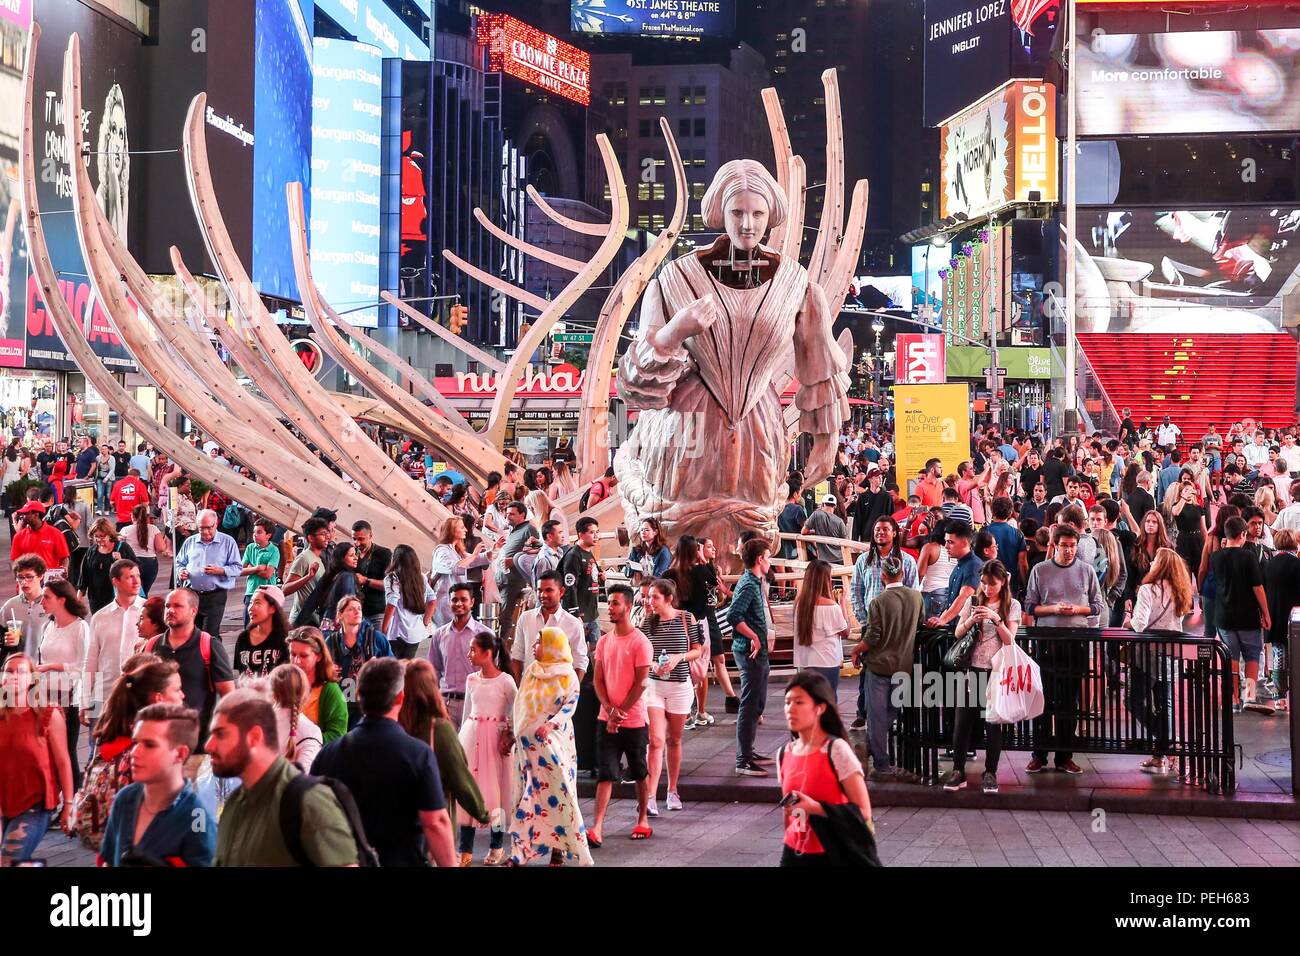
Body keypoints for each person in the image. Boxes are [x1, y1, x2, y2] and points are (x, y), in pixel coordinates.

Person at [311, 658, 455, 867]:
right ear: (400, 697)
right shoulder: (418, 754)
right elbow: (435, 822)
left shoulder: (327, 755)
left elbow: (314, 819)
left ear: (358, 694)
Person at [209, 689, 361, 866]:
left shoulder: (309, 802)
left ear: (254, 737)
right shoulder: (234, 804)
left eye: (221, 734)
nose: (209, 745)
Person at [1023, 524, 1104, 774]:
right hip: (1048, 639)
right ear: (1055, 546)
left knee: (1070, 700)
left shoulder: (1086, 571)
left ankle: (1064, 755)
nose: (1069, 551)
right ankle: (1039, 753)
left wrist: (1077, 610)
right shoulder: (1040, 570)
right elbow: (1030, 606)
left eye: (1072, 546)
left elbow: (1097, 605)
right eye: (1064, 546)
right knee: (1043, 698)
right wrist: (1054, 609)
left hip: (1075, 639)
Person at [509, 626, 593, 865]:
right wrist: (514, 729)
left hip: (554, 745)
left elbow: (569, 706)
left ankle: (561, 850)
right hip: (527, 750)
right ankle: (519, 852)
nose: (534, 646)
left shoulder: (568, 675)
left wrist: (550, 725)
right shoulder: (532, 671)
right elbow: (520, 703)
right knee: (525, 797)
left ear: (552, 647)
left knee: (559, 792)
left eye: (539, 642)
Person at [98, 704, 215, 867]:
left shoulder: (197, 817)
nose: (134, 752)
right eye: (135, 742)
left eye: (149, 745)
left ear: (180, 754)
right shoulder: (124, 799)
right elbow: (108, 861)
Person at [776, 671, 873, 867]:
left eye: (799, 702)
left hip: (834, 854)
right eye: (787, 702)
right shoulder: (784, 753)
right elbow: (789, 812)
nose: (790, 709)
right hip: (796, 854)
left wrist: (816, 808)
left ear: (820, 708)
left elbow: (864, 811)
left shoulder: (836, 750)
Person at [944, 560, 1020, 793]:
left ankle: (990, 772)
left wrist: (996, 619)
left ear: (1003, 582)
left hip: (995, 671)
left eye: (992, 584)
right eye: (984, 583)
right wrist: (971, 620)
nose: (987, 588)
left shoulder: (1012, 605)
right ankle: (958, 770)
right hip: (970, 669)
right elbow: (958, 632)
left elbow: (1010, 640)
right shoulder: (973, 601)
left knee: (992, 724)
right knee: (962, 723)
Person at [588, 586, 653, 846]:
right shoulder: (604, 642)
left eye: (615, 603)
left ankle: (643, 818)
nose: (611, 608)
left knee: (639, 771)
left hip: (634, 719)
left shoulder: (640, 642)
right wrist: (609, 709)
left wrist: (621, 712)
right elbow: (597, 679)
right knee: (606, 773)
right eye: (610, 603)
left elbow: (641, 683)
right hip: (607, 719)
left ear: (628, 607)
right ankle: (597, 827)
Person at [851, 555, 922, 781]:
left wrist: (856, 650)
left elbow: (873, 636)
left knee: (877, 717)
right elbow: (921, 623)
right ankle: (872, 748)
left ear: (882, 576)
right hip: (904, 665)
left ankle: (881, 765)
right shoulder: (916, 598)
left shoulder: (878, 602)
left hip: (879, 666)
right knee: (893, 710)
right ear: (903, 573)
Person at [0, 654, 75, 864]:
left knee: (8, 860)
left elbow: (63, 762)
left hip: (35, 804)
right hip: (3, 802)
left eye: (21, 672)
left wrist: (69, 805)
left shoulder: (47, 714)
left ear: (32, 679)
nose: (14, 676)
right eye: (9, 671)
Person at [1125, 548, 1193, 775]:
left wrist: (1128, 621)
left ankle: (1165, 742)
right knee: (1166, 704)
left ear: (1160, 565)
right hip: (1172, 652)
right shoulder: (1181, 590)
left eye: (1155, 560)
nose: (1152, 562)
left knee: (1133, 700)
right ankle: (1161, 753)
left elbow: (1140, 623)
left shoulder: (1148, 589)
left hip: (1148, 653)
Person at [641, 578, 706, 816]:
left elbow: (698, 649)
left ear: (669, 599)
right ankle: (650, 795)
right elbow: (642, 653)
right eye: (648, 596)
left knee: (674, 739)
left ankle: (672, 789)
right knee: (655, 739)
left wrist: (679, 657)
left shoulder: (686, 618)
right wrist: (653, 666)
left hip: (680, 685)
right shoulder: (647, 621)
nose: (650, 601)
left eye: (655, 597)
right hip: (654, 686)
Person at [848, 516, 919, 730]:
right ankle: (864, 712)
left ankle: (895, 714)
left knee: (897, 670)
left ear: (894, 533)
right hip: (871, 624)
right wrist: (863, 619)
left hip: (897, 626)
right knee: (867, 669)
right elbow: (856, 591)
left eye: (885, 529)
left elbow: (913, 591)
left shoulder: (906, 561)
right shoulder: (864, 560)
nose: (880, 533)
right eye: (877, 529)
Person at [145, 589, 236, 751]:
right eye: (168, 606)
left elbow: (228, 695)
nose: (170, 610)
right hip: (158, 743)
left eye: (178, 606)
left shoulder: (209, 644)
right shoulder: (152, 645)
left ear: (193, 611)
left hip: (198, 745)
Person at [454, 633, 517, 865]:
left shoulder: (505, 681)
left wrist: (509, 733)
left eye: (473, 650)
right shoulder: (471, 679)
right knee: (469, 792)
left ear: (487, 653)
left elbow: (517, 710)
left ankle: (496, 846)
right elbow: (466, 713)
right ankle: (465, 848)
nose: (469, 654)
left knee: (496, 795)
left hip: (495, 742)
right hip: (472, 737)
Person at [1211, 516, 1272, 712]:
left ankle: (1233, 698)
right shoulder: (1248, 557)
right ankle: (1249, 696)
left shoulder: (1216, 557)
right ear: (1243, 534)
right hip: (1247, 615)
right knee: (1252, 655)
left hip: (1224, 615)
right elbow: (1258, 588)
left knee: (1232, 658)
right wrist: (1266, 613)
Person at [81, 558, 144, 734]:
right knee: (98, 747)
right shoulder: (100, 617)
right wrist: (84, 699)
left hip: (138, 697)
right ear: (115, 581)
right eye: (130, 577)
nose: (136, 581)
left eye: (138, 576)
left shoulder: (148, 612)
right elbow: (90, 660)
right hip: (103, 695)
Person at [38, 577, 90, 791]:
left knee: (67, 750)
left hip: (70, 697)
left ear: (62, 600)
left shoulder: (80, 627)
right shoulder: (48, 625)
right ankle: (52, 798)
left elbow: (84, 666)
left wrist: (52, 666)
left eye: (46, 597)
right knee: (47, 751)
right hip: (46, 695)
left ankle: (72, 799)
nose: (41, 601)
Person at [728, 538, 773, 776]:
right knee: (750, 704)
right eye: (768, 557)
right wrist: (754, 636)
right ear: (760, 559)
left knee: (757, 703)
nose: (770, 562)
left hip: (757, 651)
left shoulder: (753, 581)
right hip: (749, 651)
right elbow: (733, 615)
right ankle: (743, 759)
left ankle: (748, 751)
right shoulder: (748, 584)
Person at [429, 583, 493, 726]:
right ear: (449, 602)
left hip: (474, 704)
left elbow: (492, 671)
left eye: (463, 599)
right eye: (454, 600)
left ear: (472, 602)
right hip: (446, 704)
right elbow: (434, 670)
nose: (458, 604)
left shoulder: (485, 635)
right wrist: (436, 701)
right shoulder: (439, 635)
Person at [326, 595, 393, 728]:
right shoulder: (331, 642)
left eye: (359, 608)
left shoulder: (376, 639)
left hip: (369, 705)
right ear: (340, 615)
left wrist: (379, 668)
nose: (357, 612)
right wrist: (328, 670)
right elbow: (319, 672)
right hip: (341, 704)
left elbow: (395, 670)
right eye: (351, 609)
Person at [510, 571, 588, 684]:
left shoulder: (573, 624)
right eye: (540, 590)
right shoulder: (526, 618)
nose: (543, 595)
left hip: (558, 691)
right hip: (529, 689)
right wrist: (518, 689)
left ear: (561, 591)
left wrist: (570, 690)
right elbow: (517, 655)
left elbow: (580, 662)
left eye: (549, 590)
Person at [173, 509, 241, 636]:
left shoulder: (228, 541)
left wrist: (221, 570)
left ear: (216, 524)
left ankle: (214, 649)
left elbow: (237, 568)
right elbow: (179, 563)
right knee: (192, 633)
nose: (205, 532)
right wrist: (181, 572)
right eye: (201, 528)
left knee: (210, 634)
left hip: (215, 595)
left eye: (209, 528)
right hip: (192, 595)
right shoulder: (190, 541)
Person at [793, 559, 849, 692]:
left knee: (812, 699)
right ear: (825, 581)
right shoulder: (831, 606)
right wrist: (842, 604)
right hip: (827, 661)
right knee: (828, 699)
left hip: (806, 661)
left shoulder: (799, 604)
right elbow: (845, 632)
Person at [287, 627, 348, 744]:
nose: (296, 661)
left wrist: (301, 742)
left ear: (319, 656)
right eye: (293, 654)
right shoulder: (284, 686)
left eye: (303, 656)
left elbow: (338, 735)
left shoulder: (331, 690)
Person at [429, 515, 489, 628]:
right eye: (462, 527)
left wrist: (494, 550)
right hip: (445, 603)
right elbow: (455, 567)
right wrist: (475, 555)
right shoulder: (442, 551)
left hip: (454, 602)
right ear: (452, 531)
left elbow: (476, 560)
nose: (466, 530)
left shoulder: (456, 551)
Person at [925, 521, 984, 630]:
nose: (946, 546)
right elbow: (952, 601)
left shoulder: (974, 565)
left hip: (964, 628)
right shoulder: (961, 564)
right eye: (946, 541)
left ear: (964, 543)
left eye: (950, 542)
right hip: (955, 627)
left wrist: (943, 620)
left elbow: (965, 596)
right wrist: (941, 619)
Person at [494, 501, 538, 646]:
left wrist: (514, 560)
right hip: (500, 577)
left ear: (522, 515)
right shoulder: (512, 530)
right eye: (507, 514)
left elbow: (537, 552)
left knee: (505, 616)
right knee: (493, 614)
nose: (508, 517)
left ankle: (501, 649)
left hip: (512, 581)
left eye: (512, 514)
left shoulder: (529, 529)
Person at [382, 543, 436, 661]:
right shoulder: (421, 577)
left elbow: (392, 604)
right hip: (415, 633)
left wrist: (383, 629)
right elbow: (432, 601)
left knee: (393, 668)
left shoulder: (392, 578)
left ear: (395, 560)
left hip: (395, 633)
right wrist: (425, 623)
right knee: (407, 667)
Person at [557, 516, 604, 648]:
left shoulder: (588, 552)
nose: (596, 536)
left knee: (597, 652)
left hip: (592, 612)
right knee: (576, 651)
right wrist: (575, 613)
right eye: (591, 532)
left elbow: (592, 574)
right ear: (580, 535)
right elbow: (569, 586)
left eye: (597, 532)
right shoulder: (573, 555)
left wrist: (601, 576)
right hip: (579, 615)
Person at [232, 585, 290, 680]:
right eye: (251, 602)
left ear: (273, 608)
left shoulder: (286, 639)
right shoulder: (243, 638)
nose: (250, 608)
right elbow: (241, 674)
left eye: (257, 603)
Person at [1, 555, 50, 665]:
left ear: (40, 576)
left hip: (45, 667)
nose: (24, 582)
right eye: (20, 577)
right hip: (19, 667)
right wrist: (5, 640)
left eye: (29, 577)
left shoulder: (50, 604)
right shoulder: (10, 605)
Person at [283, 517, 330, 625]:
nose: (327, 537)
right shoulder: (304, 558)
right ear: (311, 538)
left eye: (327, 533)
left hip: (314, 620)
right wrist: (308, 577)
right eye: (323, 534)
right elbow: (285, 589)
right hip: (302, 621)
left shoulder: (319, 559)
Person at [349, 521, 392, 630]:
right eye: (354, 539)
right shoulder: (352, 553)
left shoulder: (384, 554)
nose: (357, 543)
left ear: (371, 536)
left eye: (361, 539)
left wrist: (366, 581)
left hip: (377, 613)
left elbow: (390, 585)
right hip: (356, 613)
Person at [237, 519, 279, 628]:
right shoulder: (250, 548)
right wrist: (258, 568)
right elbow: (240, 570)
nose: (255, 535)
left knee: (265, 625)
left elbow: (268, 574)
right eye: (254, 532)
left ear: (268, 535)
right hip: (251, 591)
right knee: (248, 625)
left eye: (259, 532)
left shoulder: (273, 550)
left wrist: (250, 568)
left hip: (267, 592)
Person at [121, 504, 168, 596]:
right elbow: (161, 548)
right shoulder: (154, 529)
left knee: (133, 592)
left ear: (132, 516)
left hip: (131, 562)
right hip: (150, 563)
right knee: (144, 592)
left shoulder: (125, 530)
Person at [985, 497, 1028, 596]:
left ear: (993, 512)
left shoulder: (984, 531)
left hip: (988, 584)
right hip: (1011, 584)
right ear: (1010, 513)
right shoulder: (1017, 534)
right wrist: (1025, 585)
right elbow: (1023, 563)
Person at [10, 500, 69, 571]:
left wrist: (63, 569)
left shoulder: (55, 533)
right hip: (28, 577)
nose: (22, 516)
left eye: (25, 513)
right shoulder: (18, 536)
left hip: (49, 577)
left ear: (36, 515)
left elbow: (64, 557)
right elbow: (15, 560)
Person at [802, 494, 849, 563]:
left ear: (822, 504)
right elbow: (846, 541)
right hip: (839, 558)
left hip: (823, 560)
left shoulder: (816, 515)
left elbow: (803, 531)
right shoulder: (840, 521)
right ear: (835, 506)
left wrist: (814, 531)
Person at [627, 517, 671, 585]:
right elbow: (627, 573)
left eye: (647, 530)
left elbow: (659, 577)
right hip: (639, 585)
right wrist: (632, 566)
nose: (643, 532)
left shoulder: (663, 551)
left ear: (655, 532)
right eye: (641, 530)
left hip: (657, 586)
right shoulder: (635, 550)